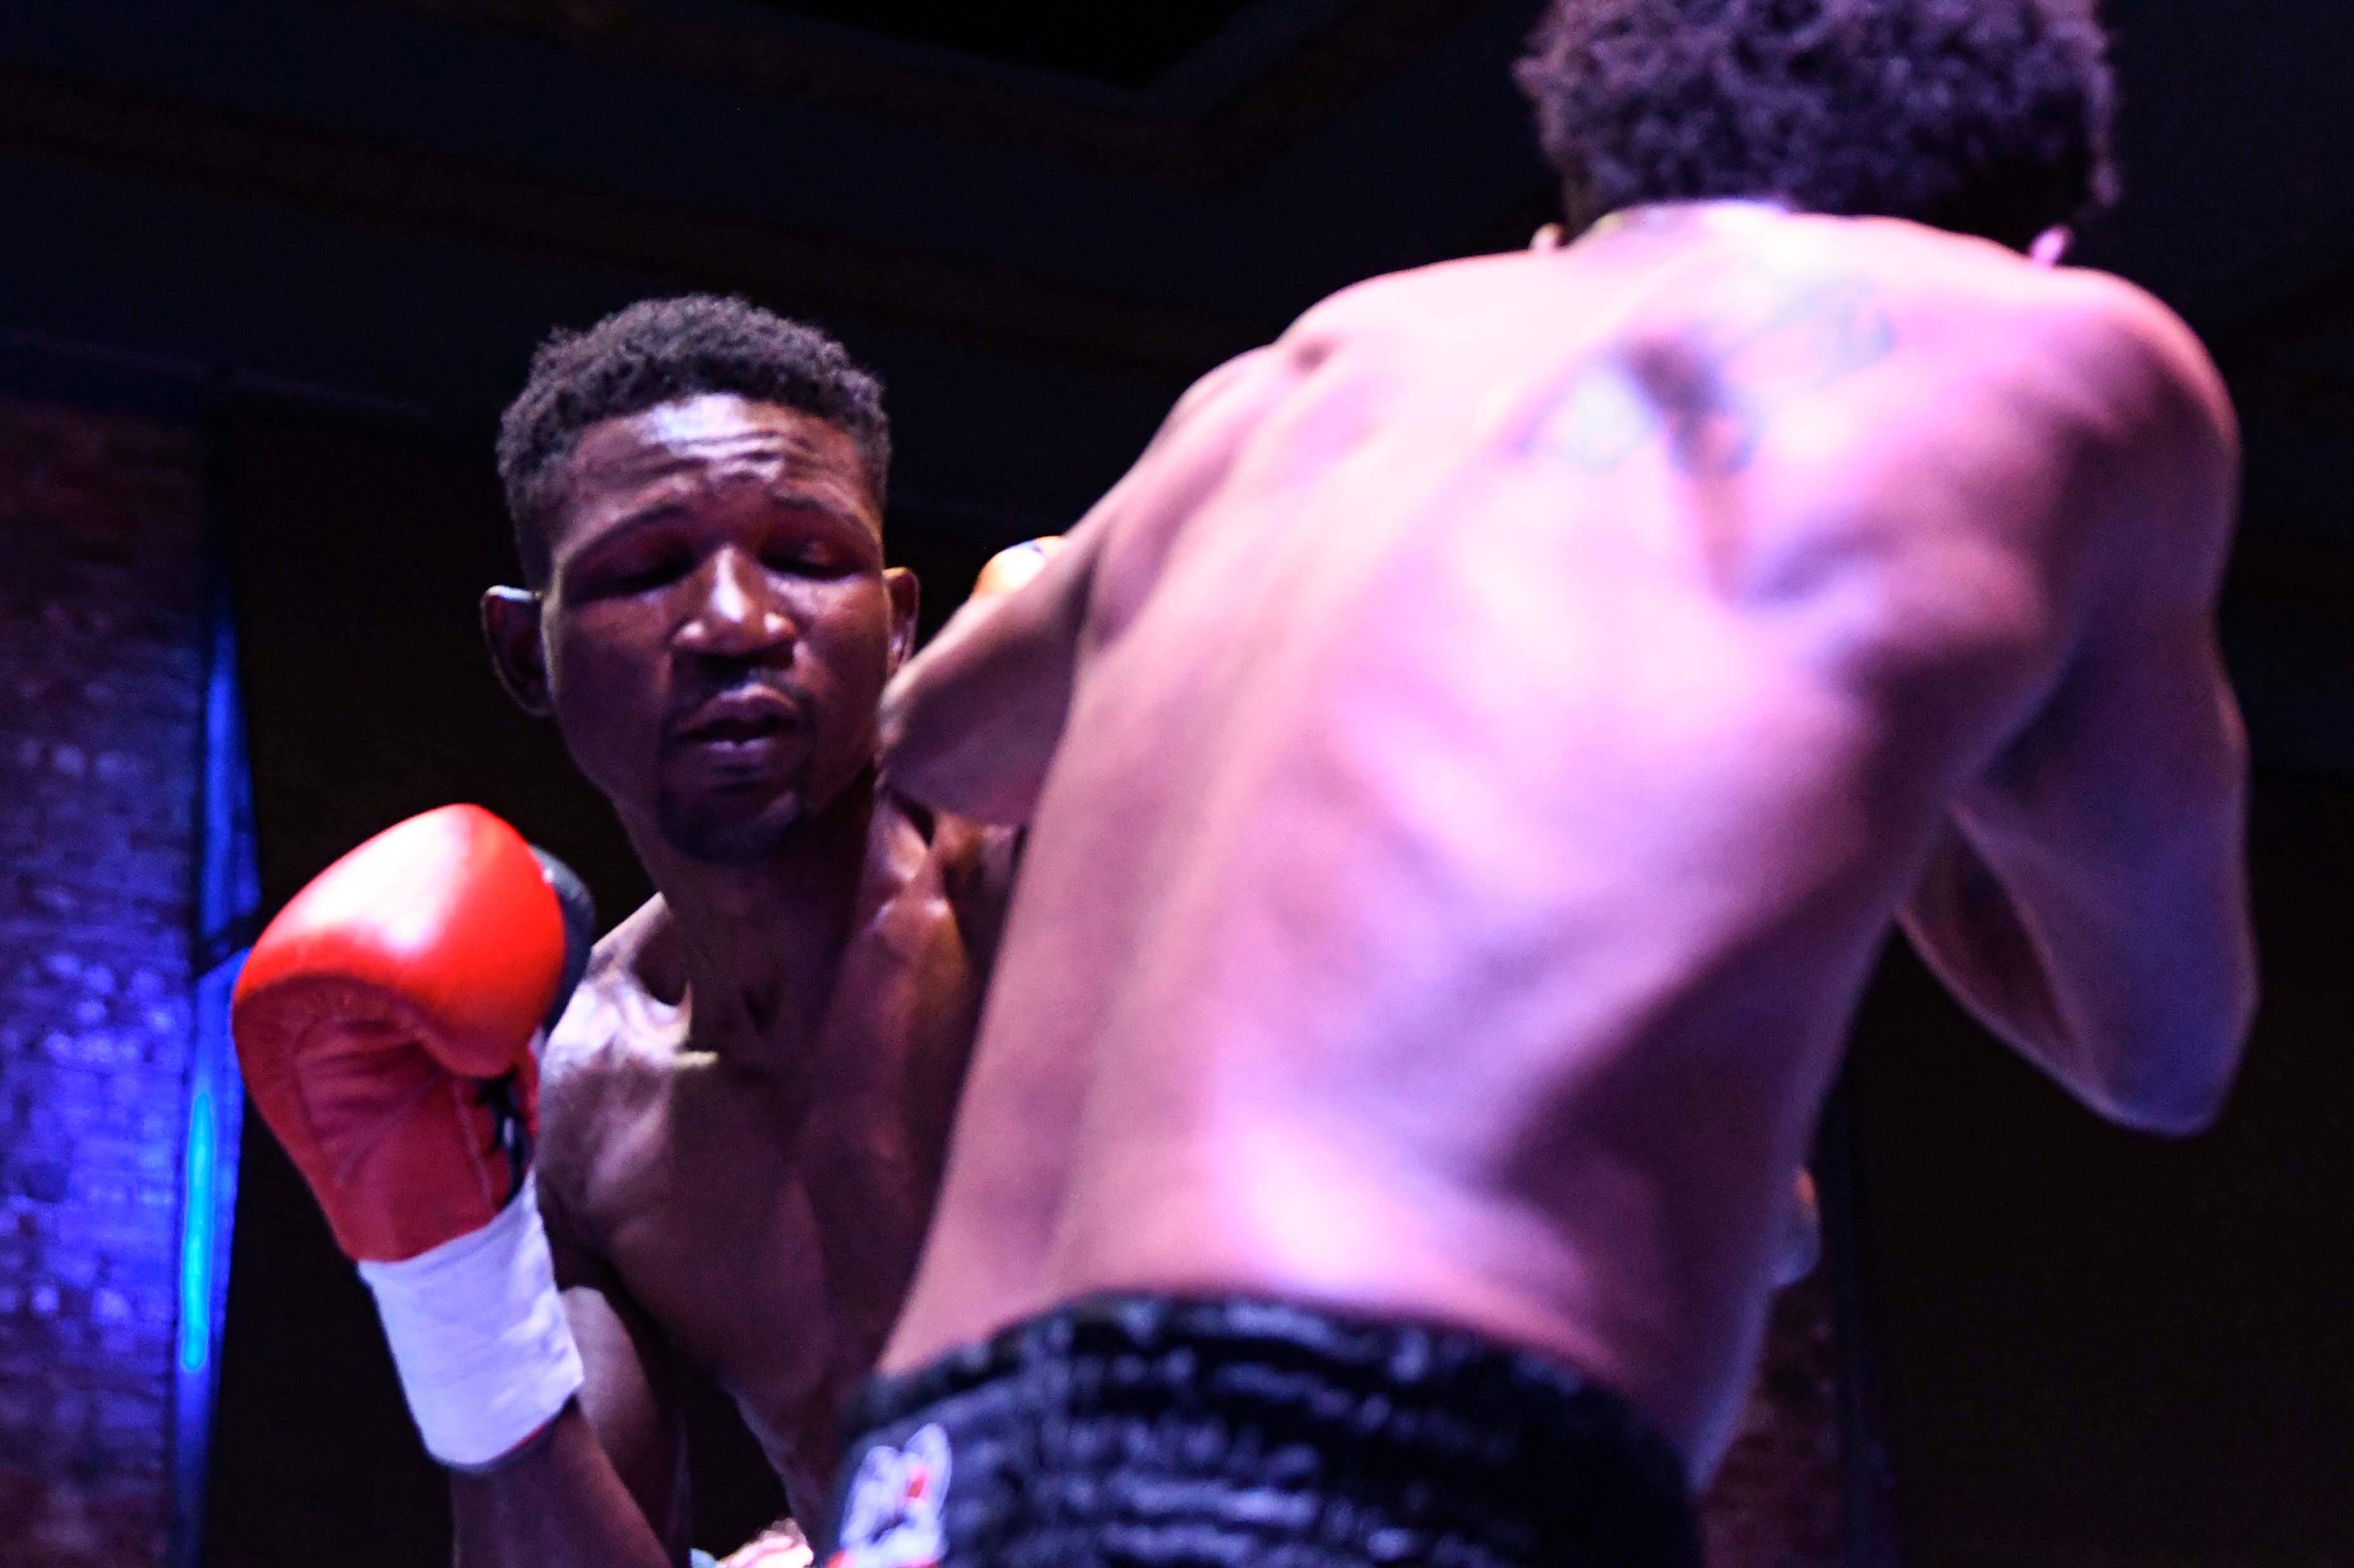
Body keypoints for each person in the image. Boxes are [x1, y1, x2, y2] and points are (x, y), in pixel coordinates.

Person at [850, 1, 2257, 1563]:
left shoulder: (1306, 371)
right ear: (2031, 244)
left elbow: (937, 741)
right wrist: (1930, 710)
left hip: (940, 1462)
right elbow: (2161, 1050)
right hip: (1384, 1437)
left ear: (1570, 216)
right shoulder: (2069, 360)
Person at [233, 297, 1053, 1568]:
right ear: (524, 651)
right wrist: (447, 1272)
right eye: (644, 569)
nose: (733, 622)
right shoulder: (595, 1101)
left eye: (807, 557)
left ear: (896, 622)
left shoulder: (1030, 868)